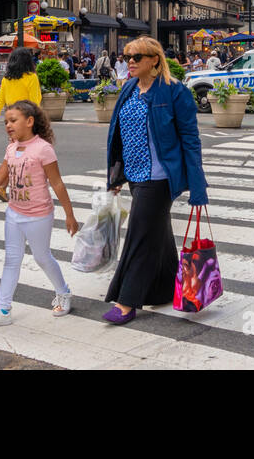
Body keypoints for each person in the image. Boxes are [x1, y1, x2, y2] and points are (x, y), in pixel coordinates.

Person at [103, 36, 208, 325]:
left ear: (155, 60)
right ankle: (163, 289)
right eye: (127, 56)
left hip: (160, 177)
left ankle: (126, 301)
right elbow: (120, 137)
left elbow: (190, 139)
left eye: (137, 56)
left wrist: (197, 186)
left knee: (140, 234)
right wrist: (116, 174)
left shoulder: (175, 92)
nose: (130, 61)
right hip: (136, 175)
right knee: (157, 234)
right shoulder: (128, 89)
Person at [0, 100, 78, 327]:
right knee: (11, 260)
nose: (8, 125)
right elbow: (0, 180)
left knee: (42, 257)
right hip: (14, 213)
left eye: (13, 120)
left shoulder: (43, 149)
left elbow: (57, 184)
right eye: (6, 121)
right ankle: (3, 310)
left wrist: (70, 215)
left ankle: (64, 292)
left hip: (38, 215)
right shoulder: (11, 148)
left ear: (29, 122)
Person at [0, 48, 42, 118]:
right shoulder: (32, 77)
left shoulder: (6, 78)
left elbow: (1, 100)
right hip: (26, 116)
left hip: (11, 116)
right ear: (28, 61)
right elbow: (34, 102)